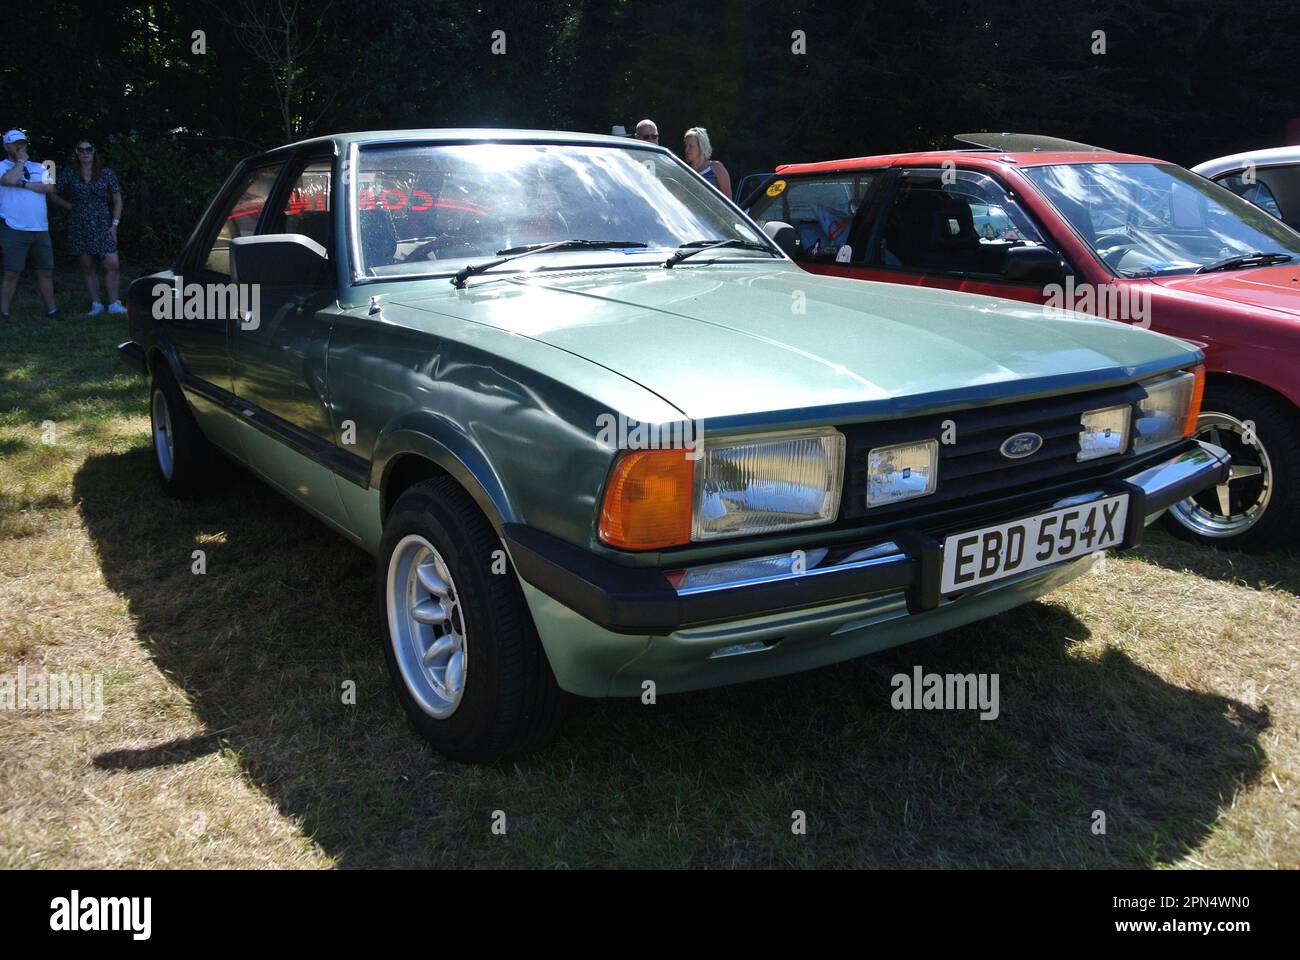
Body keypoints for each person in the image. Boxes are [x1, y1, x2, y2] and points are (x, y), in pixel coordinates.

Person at [50, 137, 125, 315]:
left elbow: (118, 200)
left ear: (94, 151)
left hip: (103, 224)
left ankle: (114, 303)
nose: (85, 153)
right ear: (76, 153)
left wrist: (114, 225)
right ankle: (96, 304)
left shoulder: (106, 173)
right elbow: (52, 193)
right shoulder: (69, 173)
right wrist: (69, 206)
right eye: (81, 150)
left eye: (88, 149)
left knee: (112, 264)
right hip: (79, 224)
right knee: (87, 266)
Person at [0, 129, 60, 321]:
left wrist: (24, 184)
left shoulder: (40, 167)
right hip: (13, 227)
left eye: (23, 143)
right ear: (6, 146)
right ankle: (4, 312)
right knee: (11, 272)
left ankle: (52, 310)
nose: (20, 146)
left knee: (45, 271)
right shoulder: (2, 166)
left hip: (40, 228)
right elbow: (8, 180)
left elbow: (50, 188)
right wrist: (20, 162)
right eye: (15, 143)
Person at [683, 126, 731, 198]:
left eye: (690, 146)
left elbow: (728, 200)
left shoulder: (716, 167)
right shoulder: (685, 171)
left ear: (701, 146)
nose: (686, 149)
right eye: (686, 145)